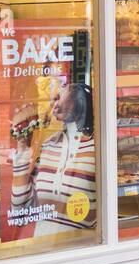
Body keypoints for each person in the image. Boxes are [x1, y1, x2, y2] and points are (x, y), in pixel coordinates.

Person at [10, 80, 96, 238]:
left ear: (79, 100)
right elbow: (19, 214)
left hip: (85, 249)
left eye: (58, 97)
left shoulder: (98, 146)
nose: (52, 103)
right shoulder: (49, 145)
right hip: (43, 248)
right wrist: (22, 149)